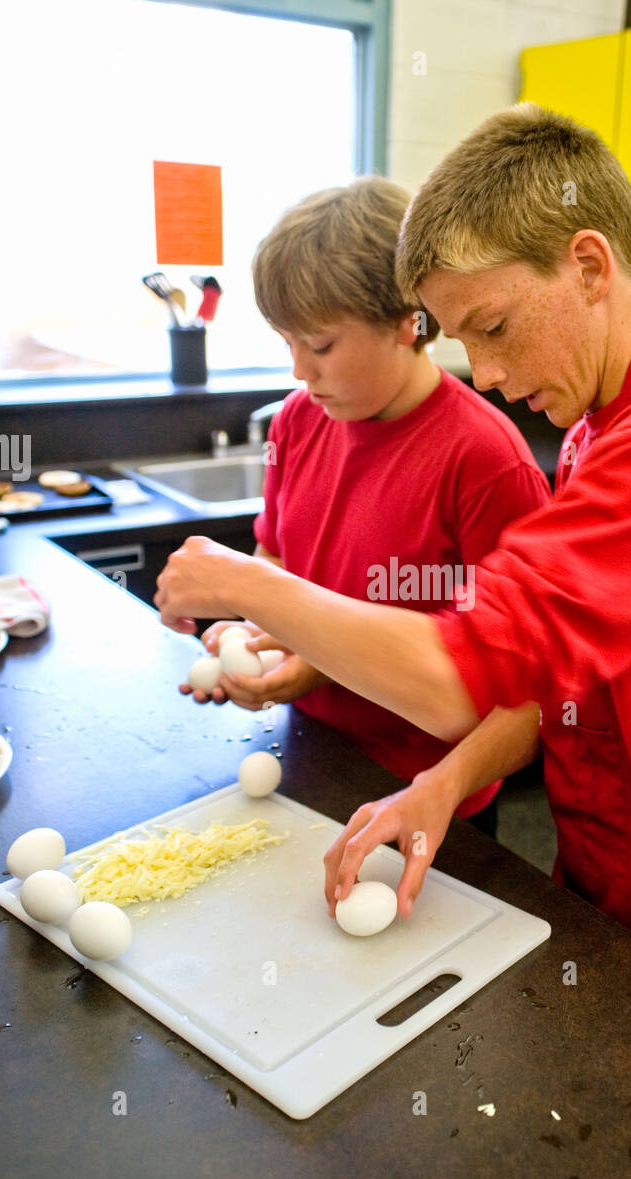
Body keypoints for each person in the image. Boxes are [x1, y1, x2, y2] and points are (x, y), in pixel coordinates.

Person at [156, 104, 631, 1023]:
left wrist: (245, 583)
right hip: (598, 853)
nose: (490, 375)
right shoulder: (596, 425)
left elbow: (463, 677)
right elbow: (551, 677)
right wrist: (444, 783)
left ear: (588, 266)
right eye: (467, 342)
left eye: (496, 328)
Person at [180, 175, 550, 831]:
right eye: (285, 341)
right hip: (310, 756)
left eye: (320, 346)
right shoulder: (298, 420)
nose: (299, 370)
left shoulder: (488, 463)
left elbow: (526, 697)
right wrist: (251, 634)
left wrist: (318, 663)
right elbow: (277, 558)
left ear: (410, 323)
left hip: (430, 801)